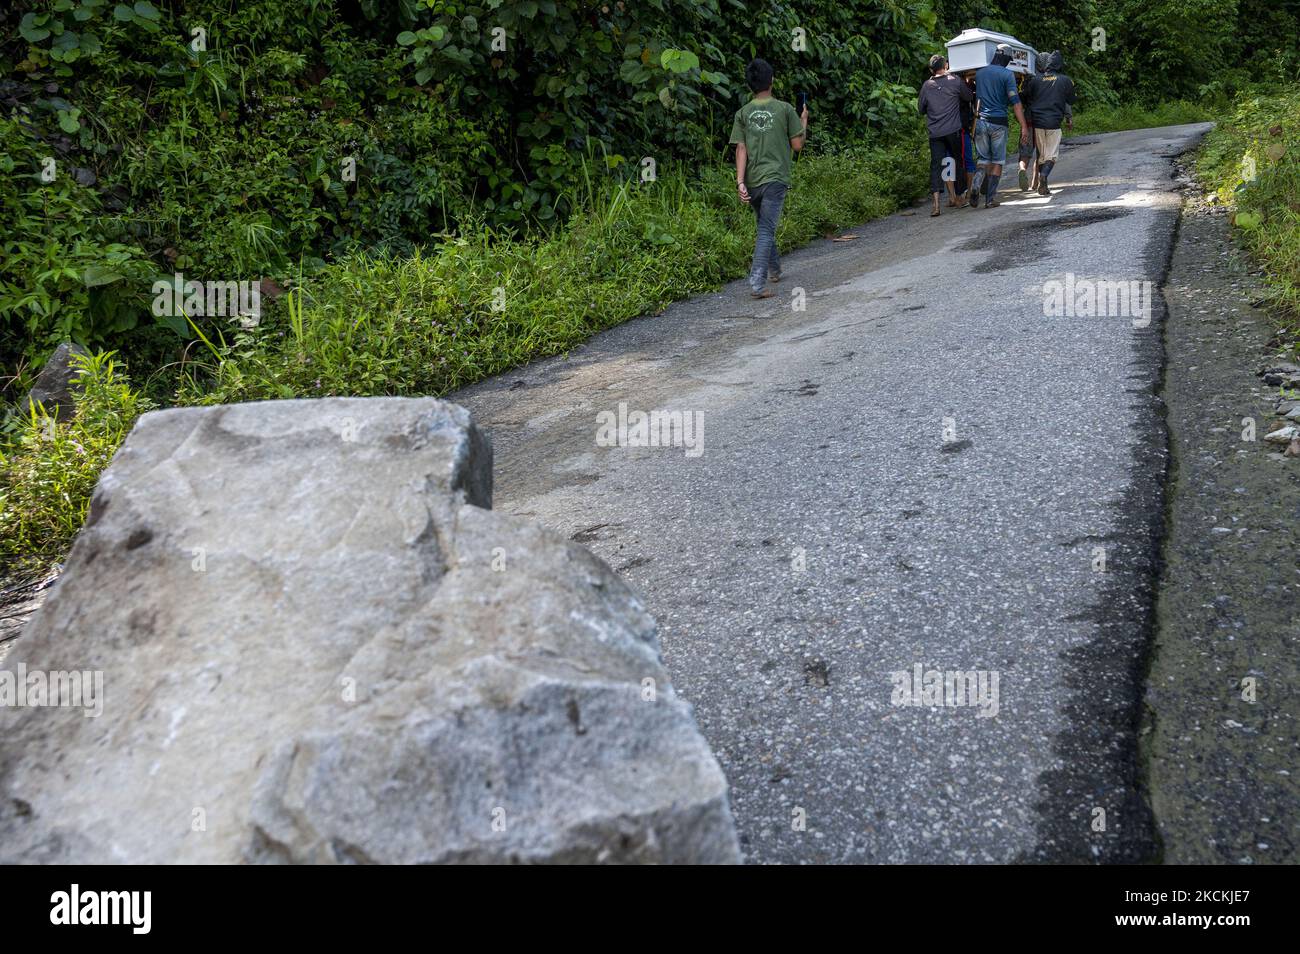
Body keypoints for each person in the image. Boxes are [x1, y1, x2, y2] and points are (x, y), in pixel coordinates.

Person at [730, 58, 808, 299]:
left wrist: (740, 181)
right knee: (766, 229)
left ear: (750, 85)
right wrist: (803, 121)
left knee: (764, 224)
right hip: (774, 178)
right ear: (771, 81)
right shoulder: (784, 109)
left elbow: (740, 149)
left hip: (752, 181)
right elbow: (797, 146)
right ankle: (757, 284)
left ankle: (774, 269)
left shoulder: (742, 113)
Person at [970, 44, 1029, 209]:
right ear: (1004, 58)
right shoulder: (1007, 75)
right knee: (997, 161)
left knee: (983, 159)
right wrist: (1024, 126)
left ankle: (976, 184)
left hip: (980, 121)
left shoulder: (980, 73)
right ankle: (990, 200)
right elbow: (1016, 103)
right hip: (998, 123)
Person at [917, 54, 973, 216]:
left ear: (931, 70)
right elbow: (968, 97)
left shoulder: (927, 86)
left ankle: (936, 205)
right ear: (946, 65)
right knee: (958, 161)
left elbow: (921, 110)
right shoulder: (955, 81)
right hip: (953, 130)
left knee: (937, 165)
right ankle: (960, 197)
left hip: (935, 133)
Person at [1021, 50, 1076, 196]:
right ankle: (1043, 177)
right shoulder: (1065, 80)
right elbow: (1071, 100)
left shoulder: (1036, 80)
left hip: (1038, 123)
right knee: (1051, 156)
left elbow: (1026, 97)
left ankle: (1042, 185)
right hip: (1053, 123)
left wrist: (1026, 80)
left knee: (1042, 156)